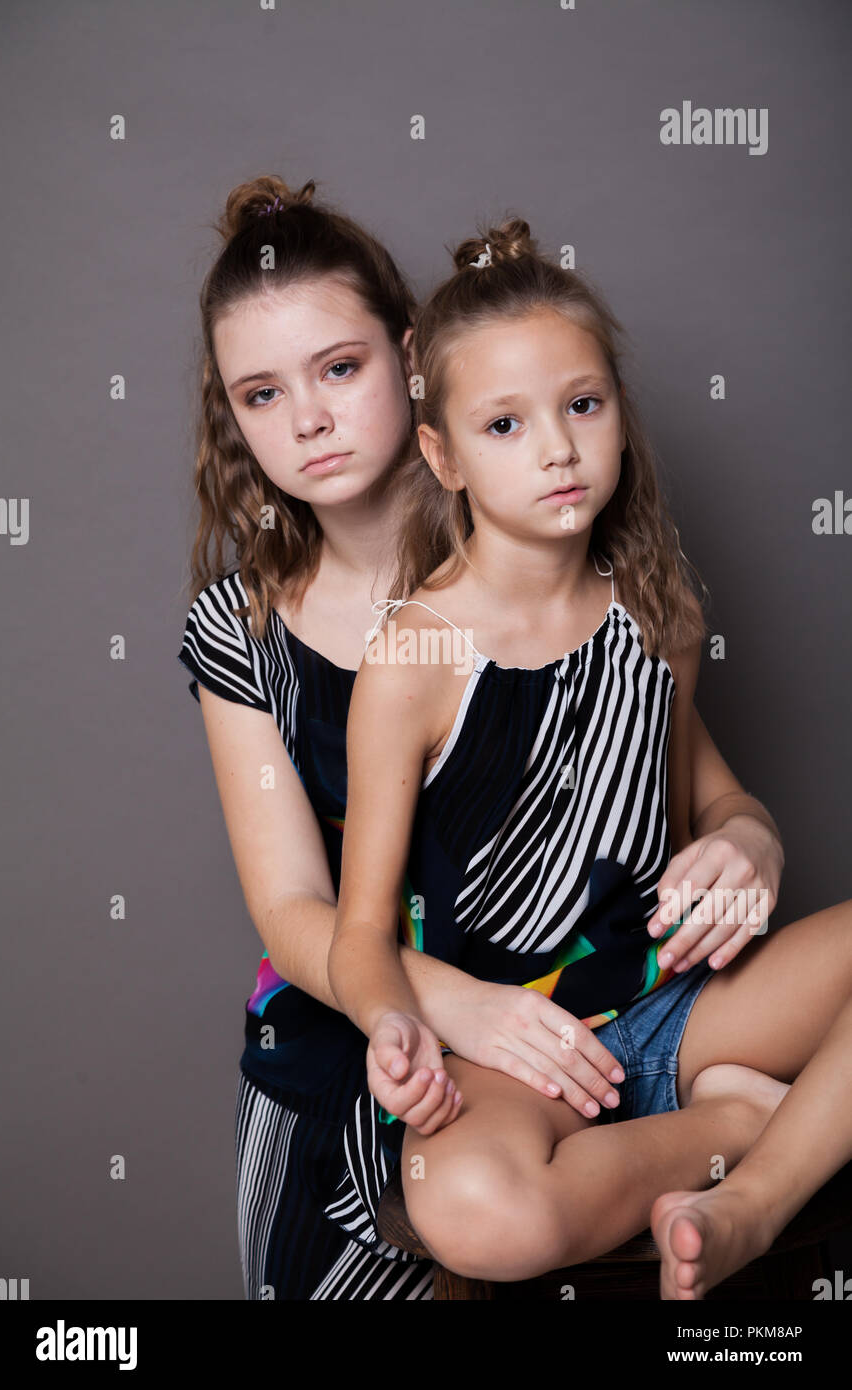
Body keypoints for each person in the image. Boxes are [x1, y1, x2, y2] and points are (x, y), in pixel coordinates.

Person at [177, 175, 747, 1299]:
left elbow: (689, 793)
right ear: (231, 417)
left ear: (411, 360)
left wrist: (752, 841)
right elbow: (294, 907)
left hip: (578, 1023)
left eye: (339, 368)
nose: (307, 419)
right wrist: (459, 1006)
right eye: (260, 394)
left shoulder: (552, 566)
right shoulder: (236, 627)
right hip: (353, 1042)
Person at [326, 216, 852, 1300]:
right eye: (505, 424)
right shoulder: (414, 657)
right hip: (511, 1050)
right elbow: (358, 933)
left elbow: (717, 800)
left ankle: (748, 1202)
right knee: (480, 1213)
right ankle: (736, 1124)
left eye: (581, 405)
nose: (558, 448)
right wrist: (393, 1025)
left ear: (618, 410)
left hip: (674, 998)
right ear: (444, 457)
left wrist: (748, 834)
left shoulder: (656, 615)